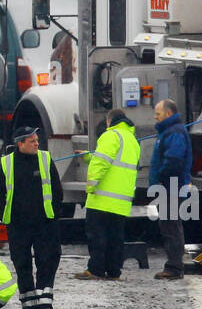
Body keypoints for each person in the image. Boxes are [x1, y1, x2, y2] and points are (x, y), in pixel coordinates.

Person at [0, 125, 63, 309]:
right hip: (18, 224)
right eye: (32, 141)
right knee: (22, 263)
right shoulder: (6, 163)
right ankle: (29, 304)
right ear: (20, 143)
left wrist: (54, 215)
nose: (36, 144)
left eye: (37, 140)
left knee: (47, 260)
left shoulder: (45, 158)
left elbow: (57, 189)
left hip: (45, 222)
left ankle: (45, 302)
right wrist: (6, 218)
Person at [76, 108, 140, 279]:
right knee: (116, 238)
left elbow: (101, 163)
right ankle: (114, 272)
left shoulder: (111, 135)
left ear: (110, 121)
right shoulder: (132, 140)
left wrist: (91, 186)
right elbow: (116, 161)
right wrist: (89, 157)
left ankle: (96, 270)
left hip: (102, 198)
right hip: (121, 201)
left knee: (97, 236)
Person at [150, 98, 192, 280]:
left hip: (171, 187)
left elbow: (173, 160)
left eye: (158, 114)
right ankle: (174, 265)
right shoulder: (170, 131)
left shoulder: (174, 133)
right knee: (169, 225)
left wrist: (160, 177)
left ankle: (174, 267)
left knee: (171, 227)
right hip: (170, 186)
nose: (155, 118)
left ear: (168, 114)